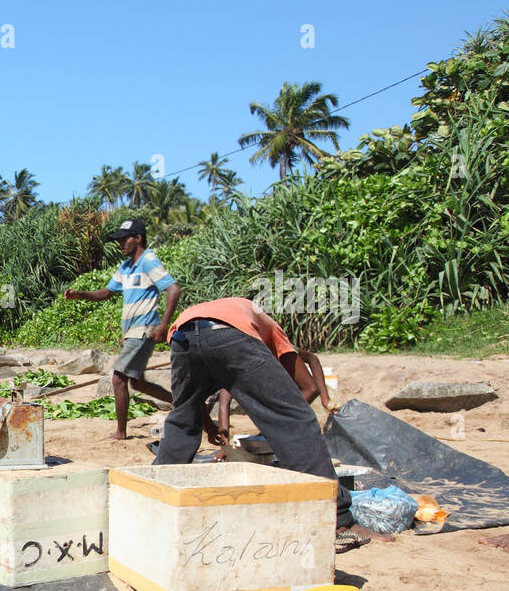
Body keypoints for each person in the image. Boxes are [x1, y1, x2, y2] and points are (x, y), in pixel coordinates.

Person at [153, 297, 391, 549]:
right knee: (297, 421)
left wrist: (209, 425)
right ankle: (338, 522)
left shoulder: (238, 315)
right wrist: (278, 424)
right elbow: (305, 389)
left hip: (182, 335)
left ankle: (152, 501)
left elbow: (195, 401)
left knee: (180, 422)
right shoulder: (272, 330)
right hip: (228, 333)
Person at [65, 218, 180, 439]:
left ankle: (120, 432)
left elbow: (173, 289)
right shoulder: (125, 268)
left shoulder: (148, 260)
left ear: (138, 238)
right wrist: (81, 294)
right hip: (131, 332)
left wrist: (164, 325)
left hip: (144, 328)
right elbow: (106, 293)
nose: (120, 244)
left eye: (124, 239)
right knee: (136, 382)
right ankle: (182, 404)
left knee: (118, 378)